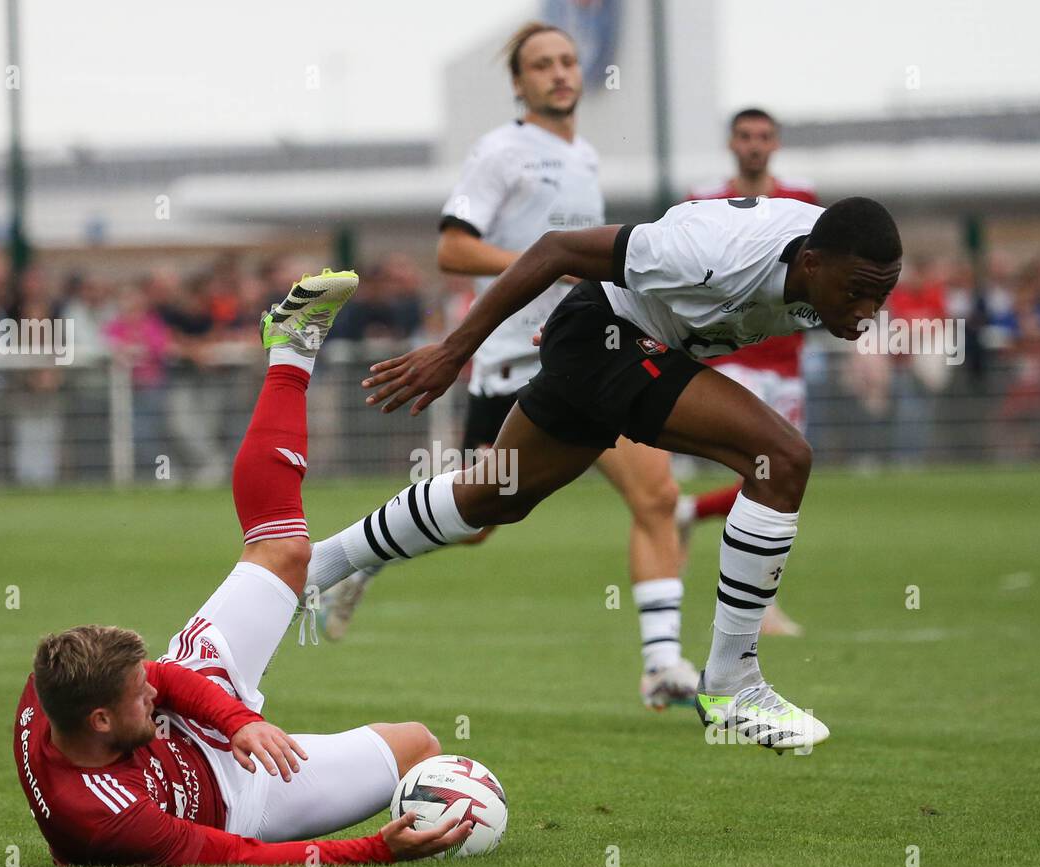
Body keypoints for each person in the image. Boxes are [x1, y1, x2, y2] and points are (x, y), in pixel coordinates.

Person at [309, 196, 904, 751]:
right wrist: (453, 350)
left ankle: (314, 566)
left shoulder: (833, 260)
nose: (867, 311)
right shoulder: (713, 253)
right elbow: (555, 249)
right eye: (857, 293)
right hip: (608, 339)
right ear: (812, 261)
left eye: (881, 296)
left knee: (494, 494)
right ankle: (731, 685)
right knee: (782, 459)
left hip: (613, 338)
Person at [14, 270, 470, 867]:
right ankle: (331, 574)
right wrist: (374, 851)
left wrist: (236, 723)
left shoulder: (56, 689)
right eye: (136, 694)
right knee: (421, 747)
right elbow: (235, 855)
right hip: (246, 799)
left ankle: (290, 348)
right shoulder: (104, 820)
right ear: (99, 720)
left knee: (283, 550)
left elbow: (166, 680)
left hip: (205, 718)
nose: (148, 687)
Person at [320, 21, 699, 711]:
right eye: (541, 65)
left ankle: (662, 664)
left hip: (585, 354)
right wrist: (545, 266)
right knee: (480, 521)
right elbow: (453, 250)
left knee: (658, 497)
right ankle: (362, 557)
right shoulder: (500, 152)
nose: (558, 73)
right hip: (509, 363)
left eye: (567, 61)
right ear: (518, 83)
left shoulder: (583, 154)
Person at [677, 108, 820, 637]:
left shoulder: (804, 199)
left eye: (763, 136)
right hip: (733, 357)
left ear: (775, 143)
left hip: (786, 360)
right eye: (745, 136)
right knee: (765, 463)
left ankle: (690, 514)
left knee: (777, 474)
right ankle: (751, 609)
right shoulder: (705, 198)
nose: (754, 145)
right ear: (732, 143)